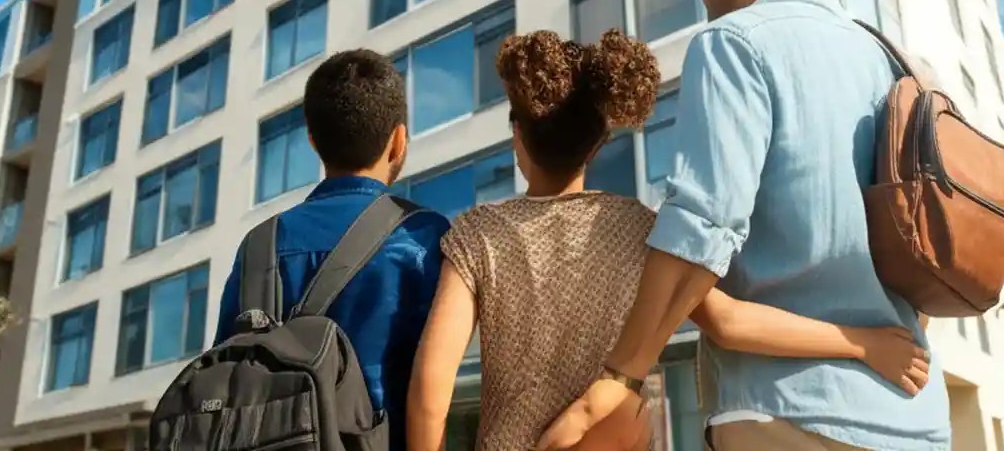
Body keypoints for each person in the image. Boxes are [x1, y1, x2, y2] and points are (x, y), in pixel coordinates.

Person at [537, 0, 952, 451]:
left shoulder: (733, 43)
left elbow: (703, 229)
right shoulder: (893, 63)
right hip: (915, 418)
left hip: (791, 416)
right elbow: (927, 257)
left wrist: (620, 377)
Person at [405, 30, 932, 451]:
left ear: (516, 134)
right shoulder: (641, 228)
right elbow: (729, 323)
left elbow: (432, 386)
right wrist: (863, 342)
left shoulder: (478, 234)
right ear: (600, 143)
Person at [213, 50, 448, 451]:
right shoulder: (424, 237)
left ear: (312, 140)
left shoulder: (258, 245)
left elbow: (227, 374)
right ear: (398, 140)